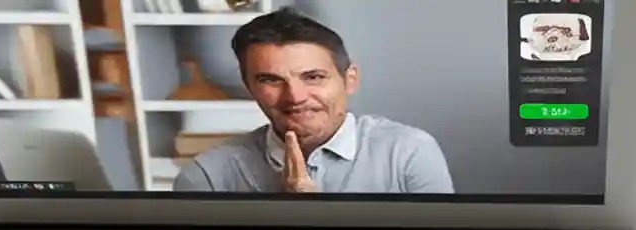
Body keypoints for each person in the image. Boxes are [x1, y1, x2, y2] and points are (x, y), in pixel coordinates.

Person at [173, 7, 454, 194]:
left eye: (314, 77)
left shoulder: (410, 153)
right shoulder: (206, 177)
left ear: (350, 79)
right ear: (249, 87)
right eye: (270, 80)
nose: (295, 97)